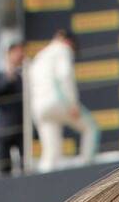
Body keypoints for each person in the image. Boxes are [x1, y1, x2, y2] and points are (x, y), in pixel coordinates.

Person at [28, 29, 99, 172]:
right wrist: (72, 104)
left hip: (39, 108)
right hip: (58, 102)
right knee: (91, 128)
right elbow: (65, 76)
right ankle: (87, 169)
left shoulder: (40, 55)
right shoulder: (63, 49)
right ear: (69, 42)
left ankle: (43, 185)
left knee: (50, 154)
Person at [0, 40, 26, 176]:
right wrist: (8, 77)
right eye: (17, 52)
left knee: (26, 166)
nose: (21, 55)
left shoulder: (25, 76)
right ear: (9, 54)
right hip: (4, 129)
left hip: (23, 128)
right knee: (2, 170)